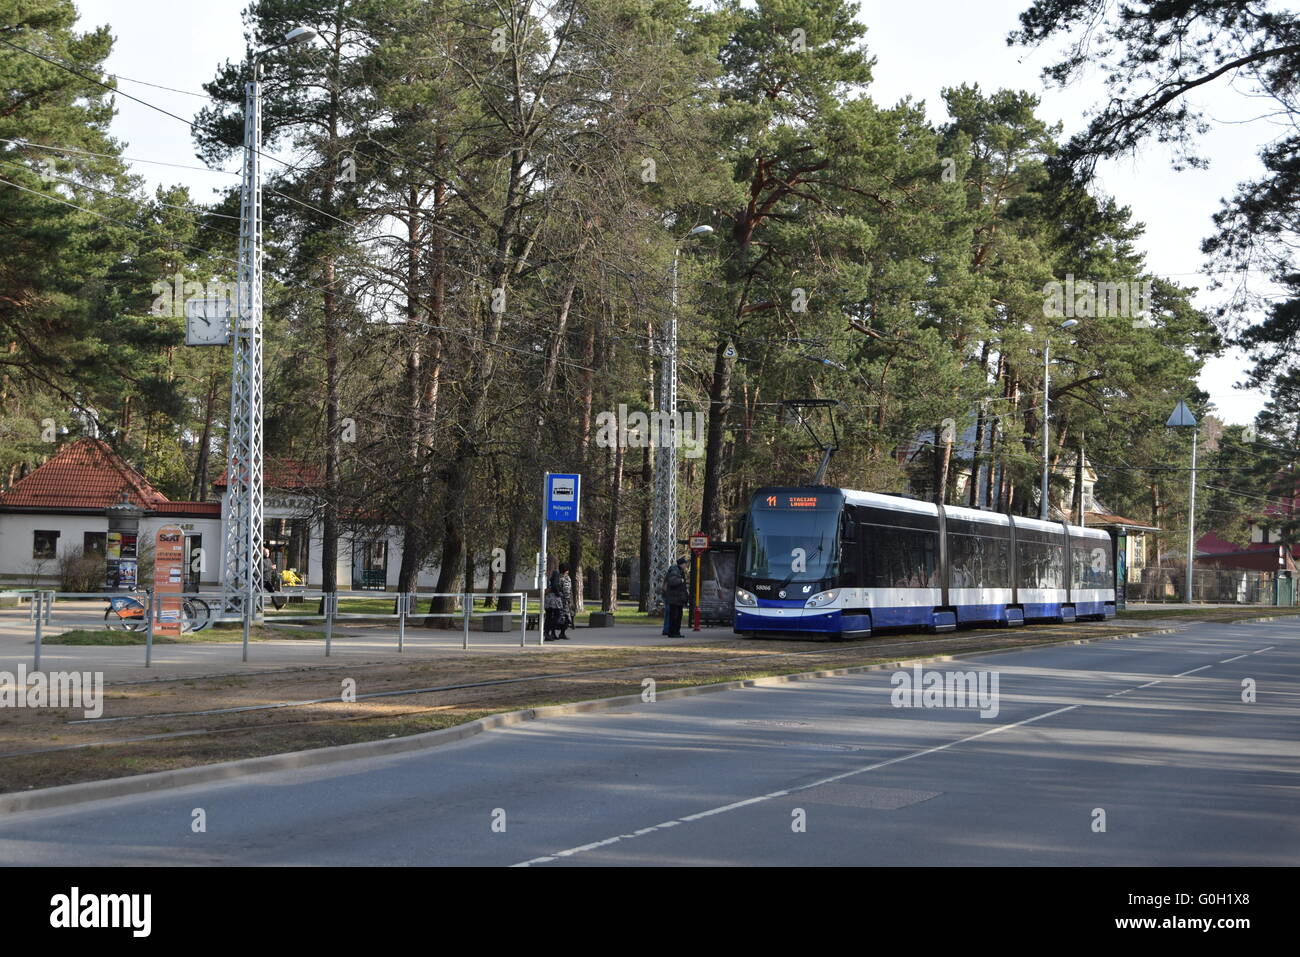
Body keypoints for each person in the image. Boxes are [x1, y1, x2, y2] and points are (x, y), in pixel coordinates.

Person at [661, 557, 688, 637]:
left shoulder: (679, 571)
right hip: (674, 598)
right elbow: (672, 582)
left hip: (677, 598)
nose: (686, 566)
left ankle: (675, 632)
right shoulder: (675, 571)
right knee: (674, 616)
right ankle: (672, 632)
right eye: (685, 564)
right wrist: (681, 580)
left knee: (677, 616)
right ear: (682, 564)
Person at [548, 562, 574, 640]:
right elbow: (563, 590)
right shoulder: (562, 578)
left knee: (562, 617)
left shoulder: (563, 577)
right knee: (561, 618)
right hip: (561, 601)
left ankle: (558, 633)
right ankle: (557, 633)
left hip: (562, 601)